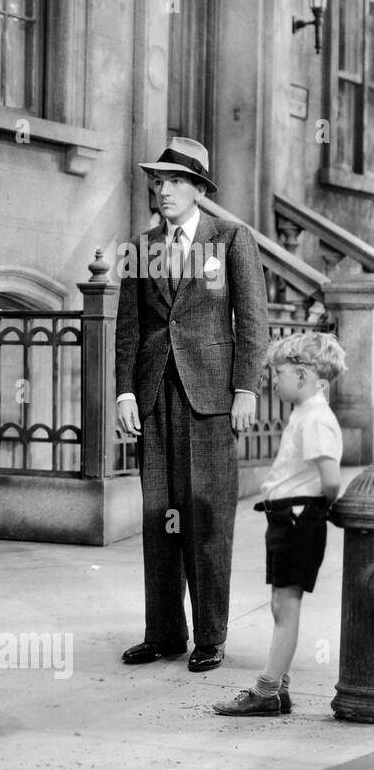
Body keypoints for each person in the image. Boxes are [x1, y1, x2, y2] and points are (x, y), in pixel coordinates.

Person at [116, 137, 268, 673]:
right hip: (157, 395)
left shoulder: (230, 239)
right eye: (158, 180)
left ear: (200, 189)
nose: (164, 189)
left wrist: (246, 388)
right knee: (161, 518)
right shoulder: (141, 246)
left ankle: (210, 635)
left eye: (176, 180)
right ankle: (163, 632)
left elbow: (251, 321)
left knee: (205, 517)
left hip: (210, 400)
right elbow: (129, 328)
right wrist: (126, 391)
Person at [214, 332, 345, 717]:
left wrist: (322, 507)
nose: (274, 380)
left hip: (298, 518)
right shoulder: (305, 414)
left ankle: (267, 691)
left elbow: (331, 478)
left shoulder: (317, 418)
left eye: (280, 373)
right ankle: (278, 687)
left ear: (304, 376)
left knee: (286, 608)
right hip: (287, 517)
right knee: (279, 605)